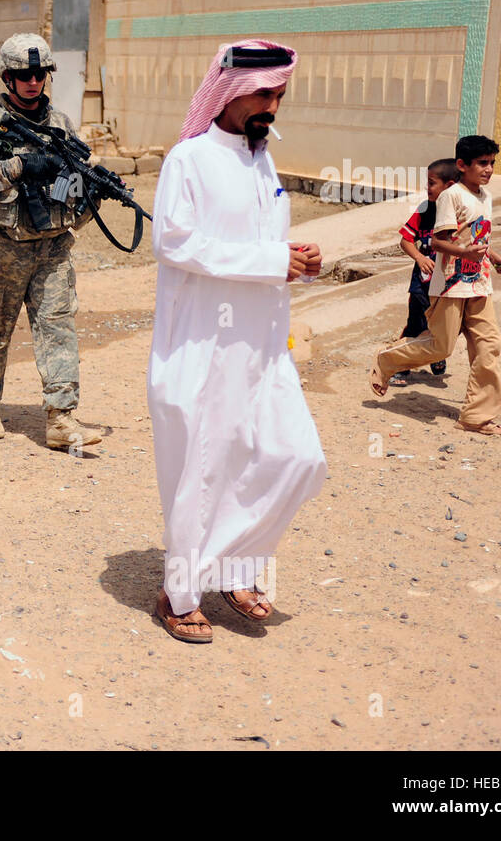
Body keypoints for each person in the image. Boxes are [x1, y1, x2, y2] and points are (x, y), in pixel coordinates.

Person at [148, 39, 327, 643]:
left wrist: (295, 257)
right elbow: (177, 244)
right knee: (203, 470)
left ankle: (232, 565)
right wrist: (272, 259)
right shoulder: (189, 159)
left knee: (296, 457)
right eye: (263, 94)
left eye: (279, 95)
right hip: (204, 348)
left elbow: (260, 243)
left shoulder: (262, 159)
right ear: (227, 93)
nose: (272, 106)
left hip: (265, 345)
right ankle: (181, 595)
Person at [0, 32, 101, 450]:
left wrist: (93, 192)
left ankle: (61, 418)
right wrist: (18, 166)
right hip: (0, 250)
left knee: (57, 329)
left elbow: (74, 189)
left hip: (52, 249)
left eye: (39, 74)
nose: (32, 82)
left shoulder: (59, 125)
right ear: (7, 77)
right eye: (23, 75)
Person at [371, 136, 501, 435]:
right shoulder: (452, 197)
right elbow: (437, 241)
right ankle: (387, 360)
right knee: (441, 347)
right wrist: (465, 253)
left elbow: (478, 239)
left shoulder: (485, 197)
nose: (488, 169)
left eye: (492, 164)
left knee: (489, 346)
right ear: (462, 165)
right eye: (482, 163)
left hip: (479, 283)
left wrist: (494, 257)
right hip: (449, 286)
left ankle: (475, 416)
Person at [388, 159, 456, 386]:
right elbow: (405, 240)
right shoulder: (425, 210)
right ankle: (400, 365)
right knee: (416, 323)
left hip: (449, 285)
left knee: (444, 326)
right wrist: (419, 257)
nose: (427, 188)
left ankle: (435, 356)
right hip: (422, 283)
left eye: (432, 183)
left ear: (449, 186)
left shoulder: (460, 213)